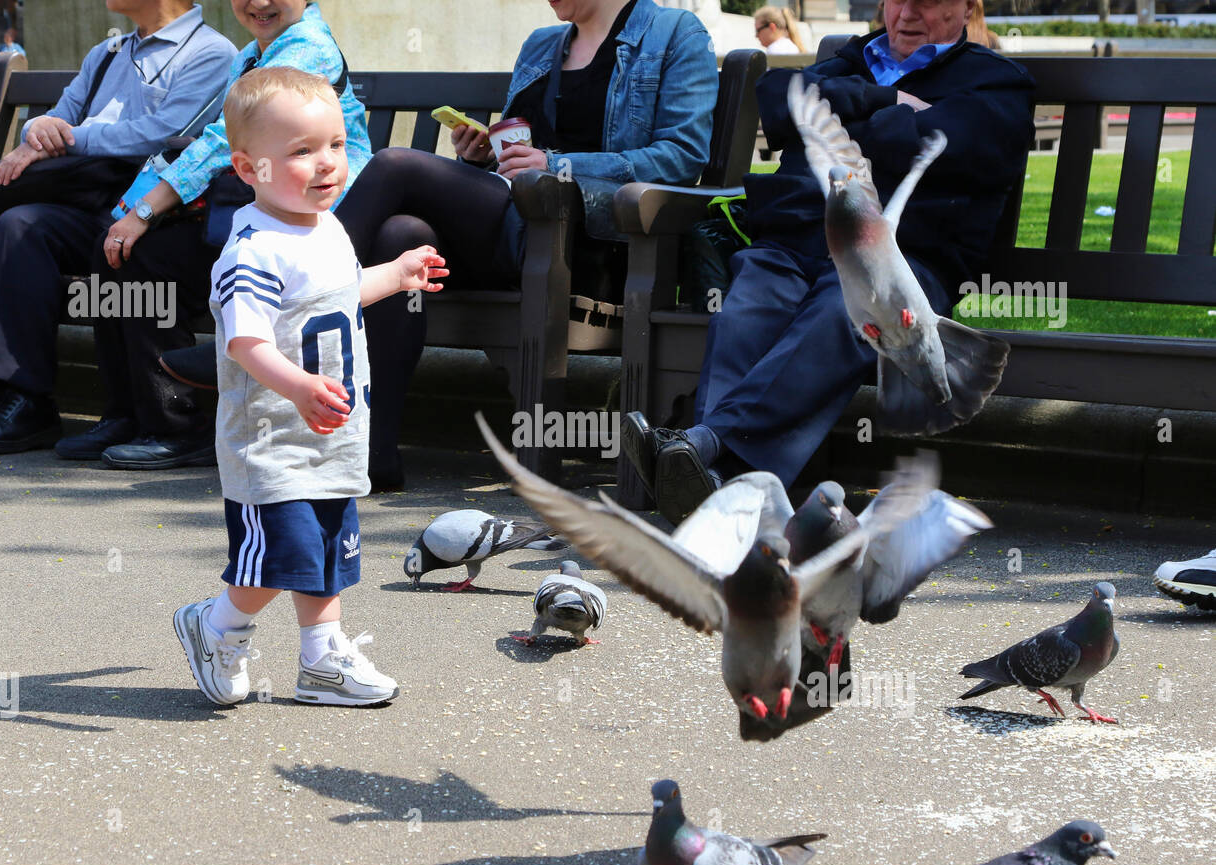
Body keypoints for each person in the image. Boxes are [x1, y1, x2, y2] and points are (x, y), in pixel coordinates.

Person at [623, 0, 1035, 523]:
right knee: (746, 312)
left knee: (843, 318)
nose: (907, 13)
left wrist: (842, 119)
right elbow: (777, 100)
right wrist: (886, 99)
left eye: (927, 1)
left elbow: (955, 145)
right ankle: (719, 485)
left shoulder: (994, 80)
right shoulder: (854, 58)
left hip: (899, 262)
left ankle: (704, 451)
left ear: (966, 8)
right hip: (793, 241)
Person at [329, 0, 717, 490]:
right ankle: (374, 455)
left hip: (592, 241)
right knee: (404, 239)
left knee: (395, 164)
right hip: (516, 226)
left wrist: (554, 164)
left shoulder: (674, 33)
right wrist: (484, 156)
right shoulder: (541, 45)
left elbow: (680, 158)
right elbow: (517, 162)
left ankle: (302, 298)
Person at [172, 67, 446, 707]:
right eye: (300, 152)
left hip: (334, 430)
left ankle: (321, 657)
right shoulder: (254, 249)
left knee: (329, 552)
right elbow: (245, 342)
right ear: (249, 169)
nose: (325, 165)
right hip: (272, 440)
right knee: (277, 558)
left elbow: (343, 295)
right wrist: (296, 388)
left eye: (335, 146)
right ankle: (217, 626)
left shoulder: (325, 227)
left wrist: (397, 274)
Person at [57, 0, 372, 470]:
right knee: (125, 255)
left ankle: (178, 424)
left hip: (310, 224)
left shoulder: (306, 47)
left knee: (143, 256)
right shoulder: (250, 54)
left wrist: (144, 210)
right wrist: (135, 210)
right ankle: (132, 412)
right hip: (263, 212)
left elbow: (223, 139)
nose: (259, 3)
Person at [0, 1, 235, 450]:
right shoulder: (107, 51)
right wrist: (38, 134)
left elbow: (163, 133)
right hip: (61, 190)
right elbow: (57, 117)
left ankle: (26, 400)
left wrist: (66, 139)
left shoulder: (210, 53)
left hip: (122, 205)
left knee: (22, 226)